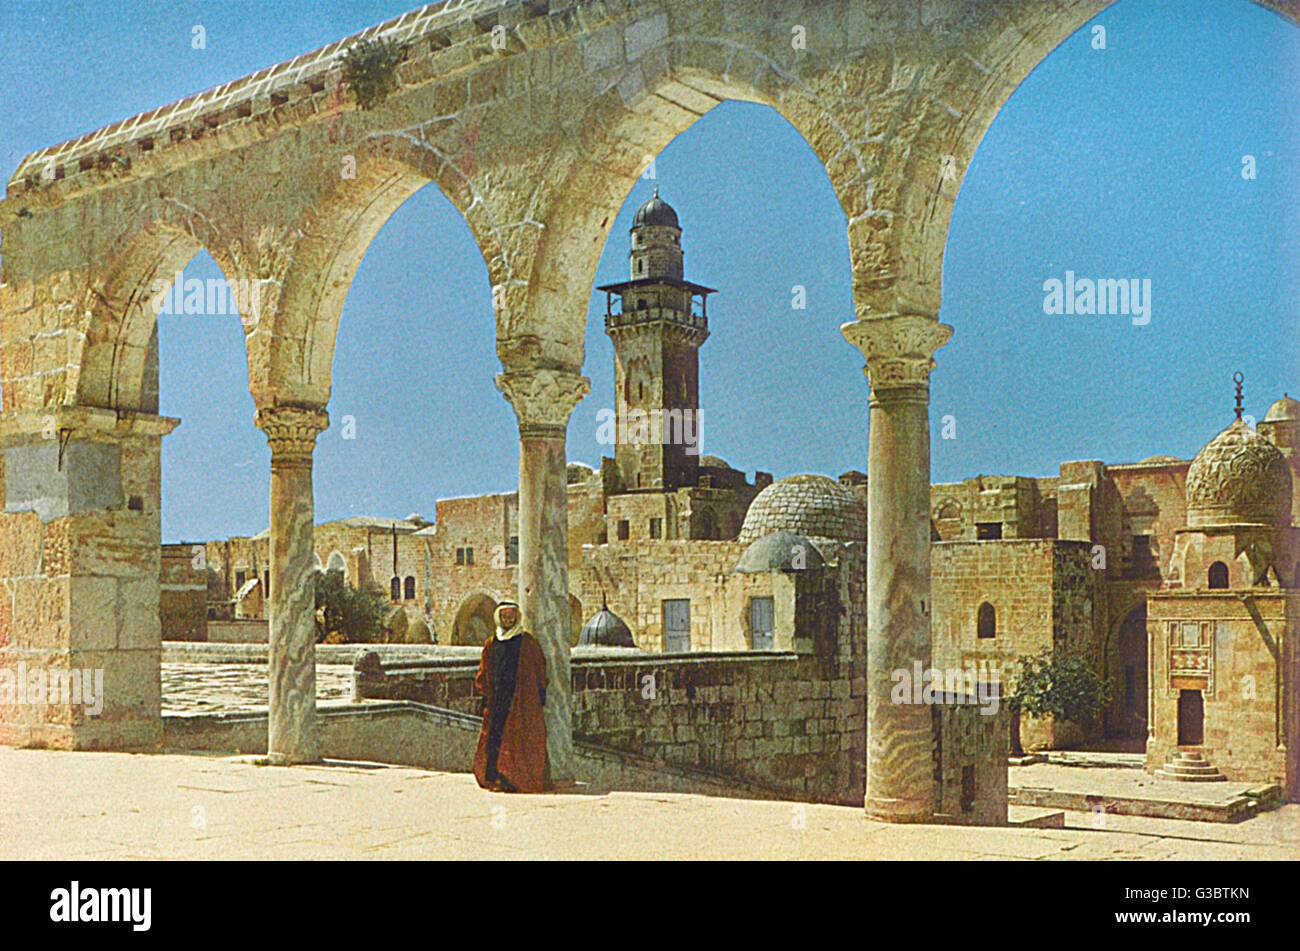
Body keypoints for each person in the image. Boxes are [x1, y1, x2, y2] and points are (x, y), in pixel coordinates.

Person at [472, 601, 550, 792]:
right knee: (495, 739)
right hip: (498, 698)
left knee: (518, 739)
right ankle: (495, 778)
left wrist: (538, 694)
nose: (508, 620)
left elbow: (538, 669)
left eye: (511, 616)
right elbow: (485, 670)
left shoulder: (526, 642)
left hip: (519, 699)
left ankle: (513, 780)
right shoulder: (492, 643)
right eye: (505, 616)